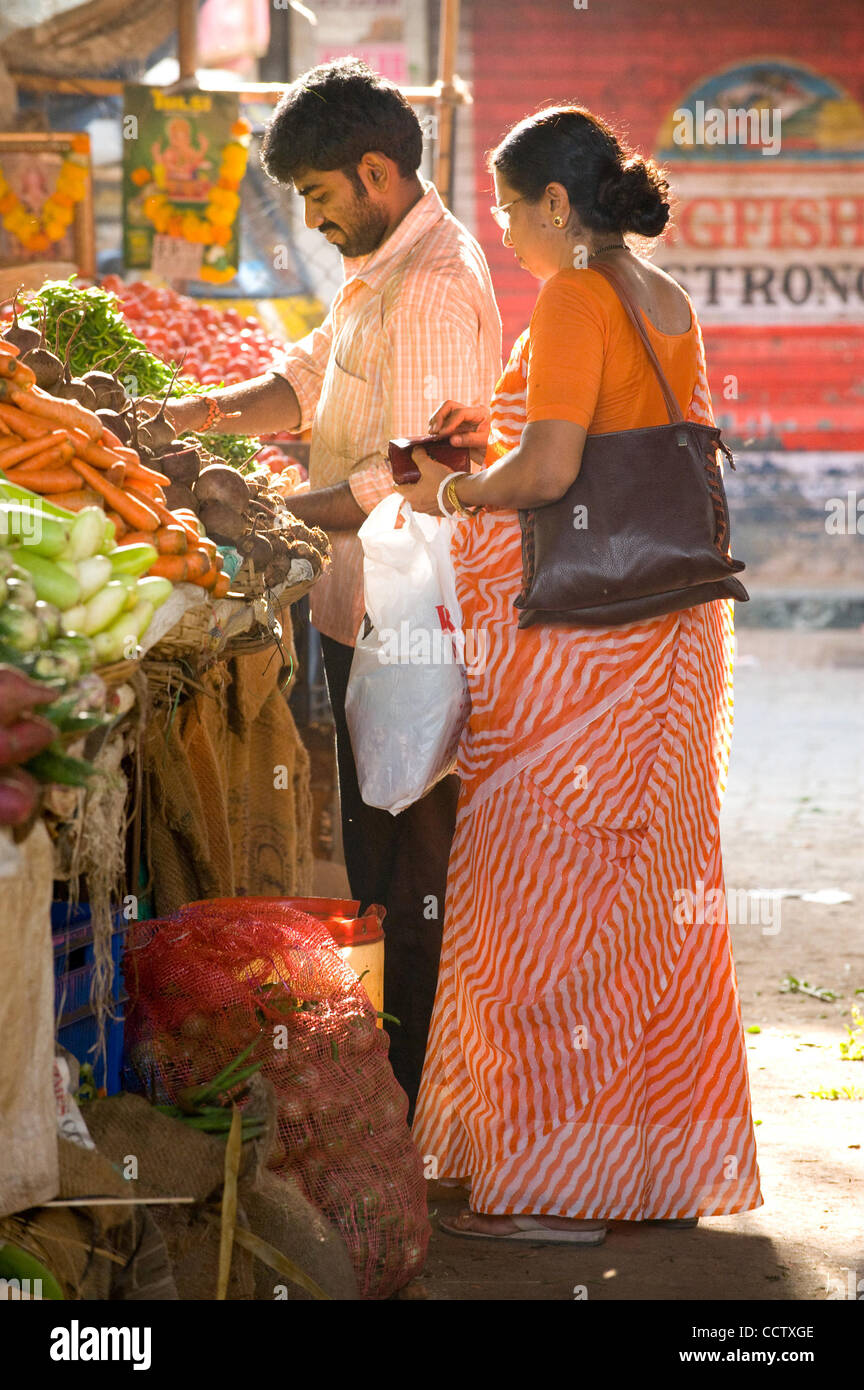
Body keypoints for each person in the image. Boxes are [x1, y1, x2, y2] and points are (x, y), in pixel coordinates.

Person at [397, 106, 763, 1243]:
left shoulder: (574, 294)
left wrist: (446, 493)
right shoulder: (664, 296)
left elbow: (553, 469)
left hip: (584, 650)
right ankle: (645, 1173)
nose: (504, 231)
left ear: (559, 204)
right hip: (671, 638)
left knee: (536, 905)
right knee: (647, 915)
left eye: (510, 208)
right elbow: (611, 434)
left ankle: (559, 1184)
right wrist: (491, 442)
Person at [166, 60, 501, 1116]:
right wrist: (178, 423)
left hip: (415, 618)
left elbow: (417, 473)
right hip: (356, 604)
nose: (312, 222)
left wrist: (268, 519)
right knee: (370, 845)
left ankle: (413, 1098)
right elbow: (308, 377)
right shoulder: (378, 271)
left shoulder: (438, 284)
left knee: (414, 857)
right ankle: (389, 1084)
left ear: (374, 171)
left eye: (318, 198)